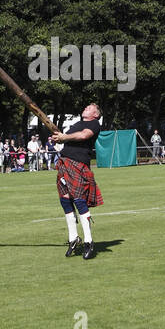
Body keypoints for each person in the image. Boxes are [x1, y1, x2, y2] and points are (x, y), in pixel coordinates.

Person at [50, 103, 105, 260]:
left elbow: (83, 136)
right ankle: (73, 238)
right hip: (64, 163)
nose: (86, 108)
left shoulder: (94, 124)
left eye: (90, 108)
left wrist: (63, 137)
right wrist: (58, 140)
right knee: (65, 201)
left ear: (95, 114)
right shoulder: (76, 124)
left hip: (78, 165)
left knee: (80, 201)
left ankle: (88, 241)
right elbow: (67, 141)